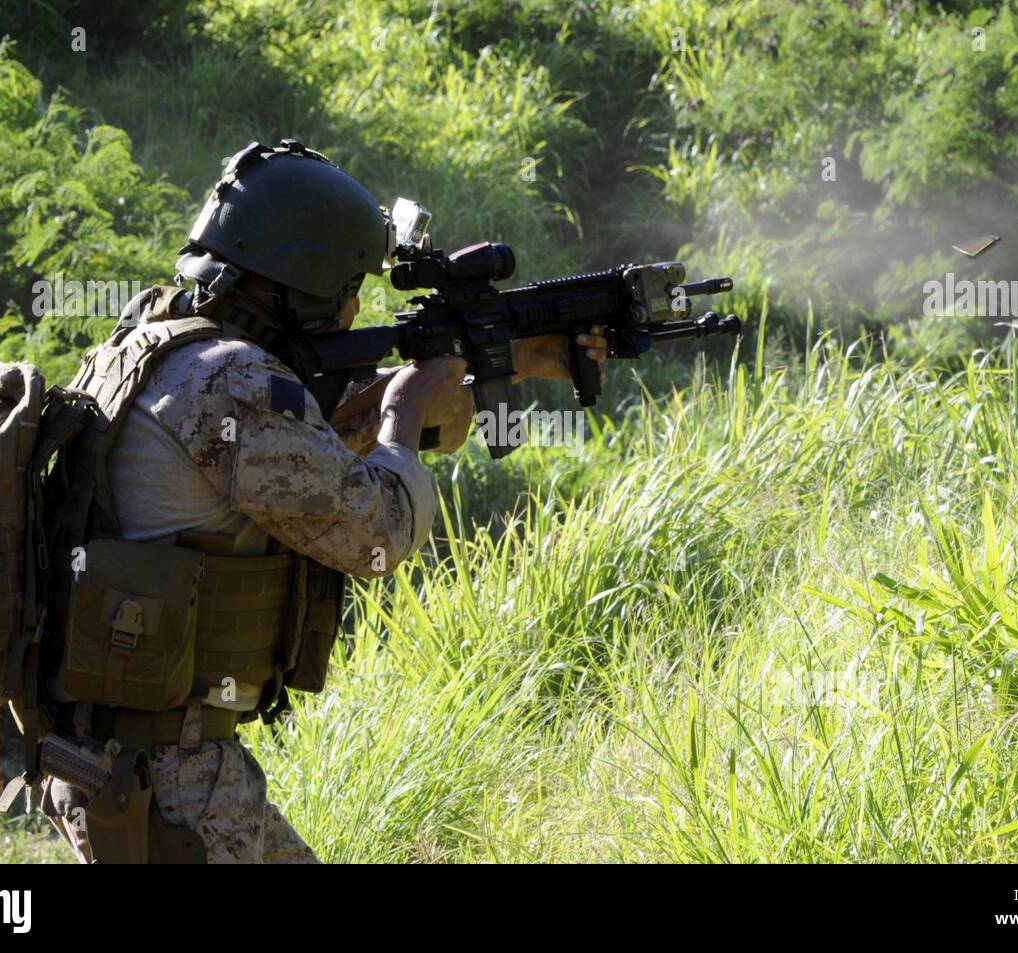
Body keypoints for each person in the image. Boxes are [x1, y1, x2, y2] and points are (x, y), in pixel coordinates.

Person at [38, 139, 607, 863]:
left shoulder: (153, 340)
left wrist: (518, 360)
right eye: (347, 289)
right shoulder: (234, 382)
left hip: (109, 751)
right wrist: (403, 411)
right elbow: (379, 533)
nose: (354, 307)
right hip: (170, 774)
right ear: (298, 288)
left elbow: (302, 456)